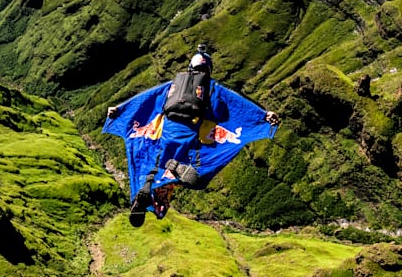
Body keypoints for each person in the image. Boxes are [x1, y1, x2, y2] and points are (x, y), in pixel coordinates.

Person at [103, 44, 280, 226]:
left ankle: (146, 190)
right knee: (199, 178)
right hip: (190, 136)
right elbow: (238, 105)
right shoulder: (213, 88)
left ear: (190, 68)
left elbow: (147, 98)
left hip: (166, 132)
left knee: (152, 165)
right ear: (208, 69)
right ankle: (175, 168)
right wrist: (264, 115)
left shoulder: (173, 85)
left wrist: (119, 110)